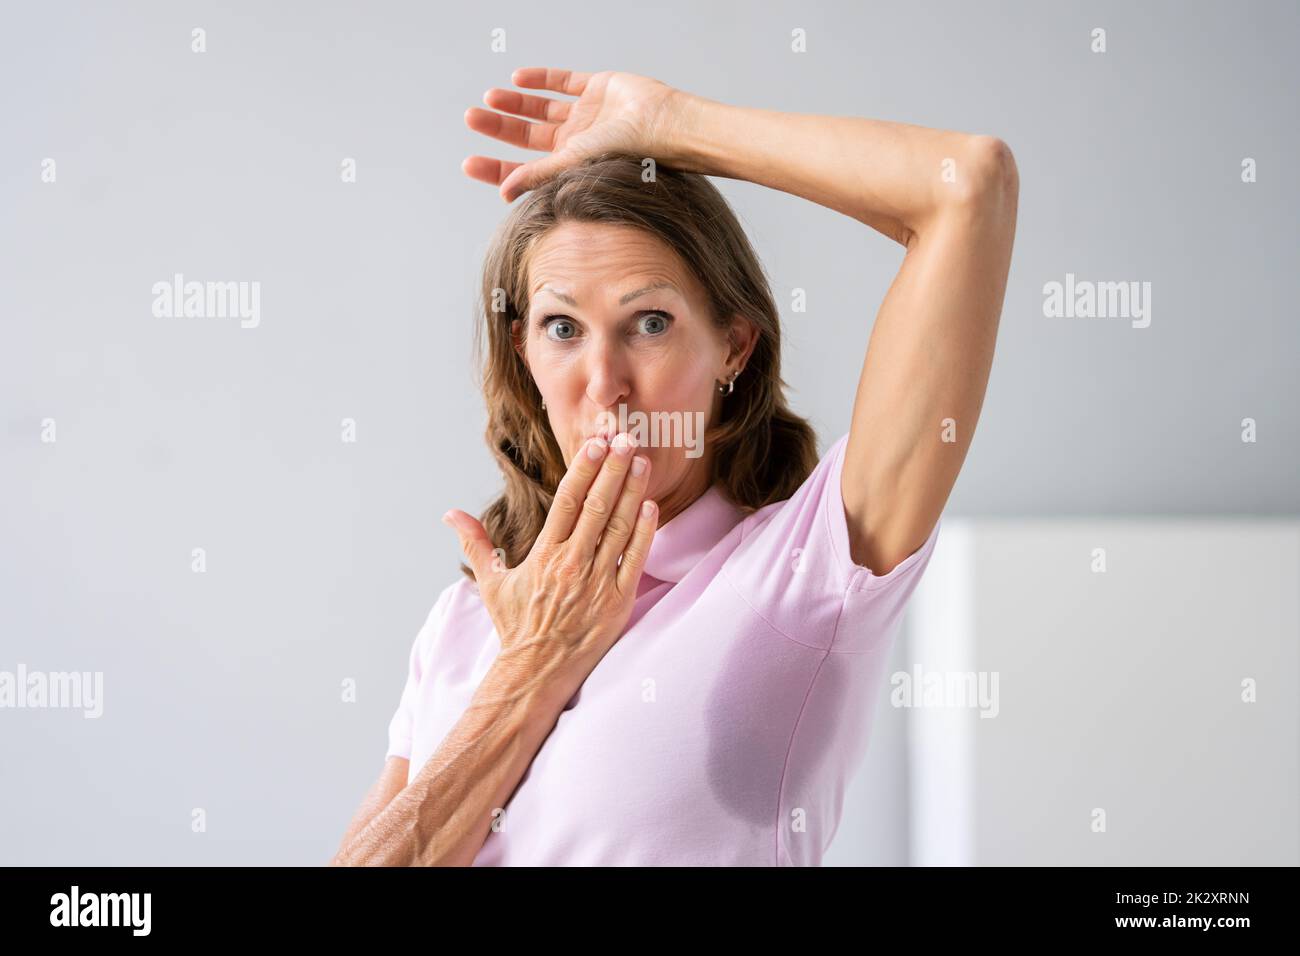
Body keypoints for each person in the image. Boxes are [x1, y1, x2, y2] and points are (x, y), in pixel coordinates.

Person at [330, 67, 1018, 866]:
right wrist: (528, 668)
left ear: (734, 345)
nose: (606, 385)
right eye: (562, 328)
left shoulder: (804, 575)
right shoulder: (467, 620)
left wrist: (670, 123)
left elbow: (967, 187)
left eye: (649, 322)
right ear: (523, 354)